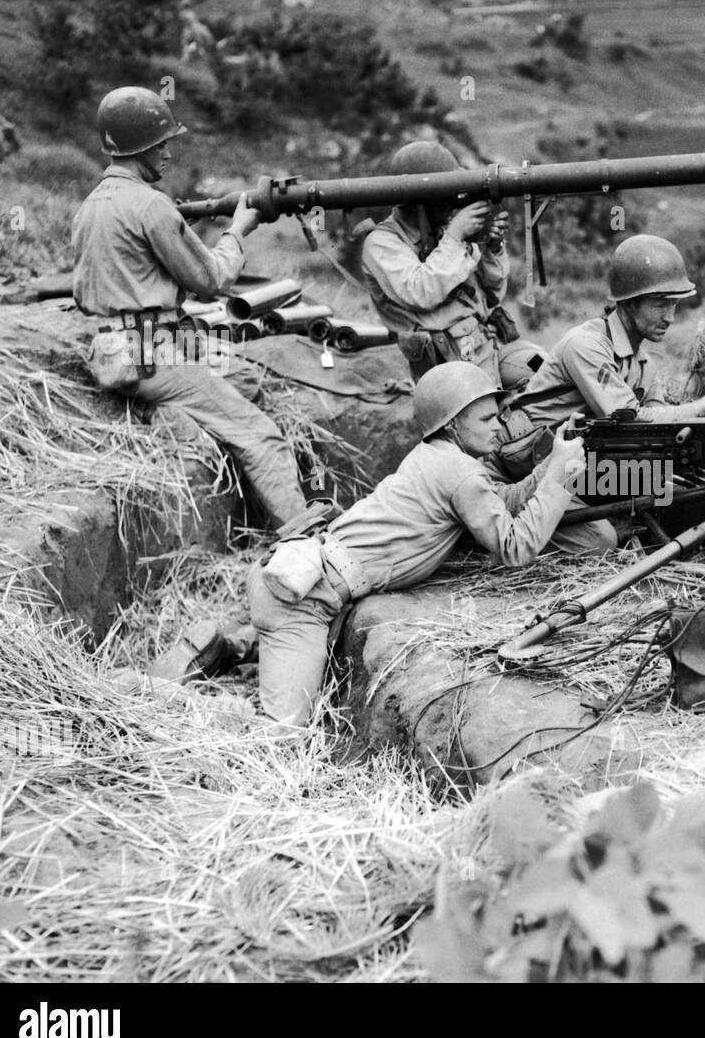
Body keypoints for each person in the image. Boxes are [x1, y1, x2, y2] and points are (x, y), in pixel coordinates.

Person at [249, 362, 585, 728]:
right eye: (487, 418)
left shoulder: (438, 457)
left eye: (497, 417)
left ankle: (236, 647)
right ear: (453, 424)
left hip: (311, 579)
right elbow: (516, 547)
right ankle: (220, 652)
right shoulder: (461, 472)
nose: (499, 426)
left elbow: (501, 505)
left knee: (282, 669)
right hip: (302, 598)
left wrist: (552, 461)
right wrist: (560, 478)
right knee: (283, 732)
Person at [71, 86, 307, 528]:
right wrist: (238, 229)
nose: (168, 154)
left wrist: (178, 232)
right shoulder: (151, 206)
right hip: (151, 353)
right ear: (139, 146)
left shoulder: (91, 206)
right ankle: (306, 548)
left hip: (116, 348)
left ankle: (181, 418)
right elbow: (209, 281)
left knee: (246, 378)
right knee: (261, 435)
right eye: (161, 144)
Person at [502, 234, 705, 552]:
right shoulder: (587, 345)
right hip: (531, 472)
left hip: (580, 468)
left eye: (674, 303)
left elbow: (662, 431)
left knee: (674, 491)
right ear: (629, 302)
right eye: (659, 304)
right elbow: (630, 422)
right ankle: (509, 521)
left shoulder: (644, 364)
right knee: (602, 542)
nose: (670, 317)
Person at [360, 140, 518, 388]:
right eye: (444, 198)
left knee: (544, 373)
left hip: (487, 348)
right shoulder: (381, 243)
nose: (452, 205)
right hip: (446, 370)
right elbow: (420, 291)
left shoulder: (443, 235)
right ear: (418, 203)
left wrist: (492, 247)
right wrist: (455, 237)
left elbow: (493, 295)